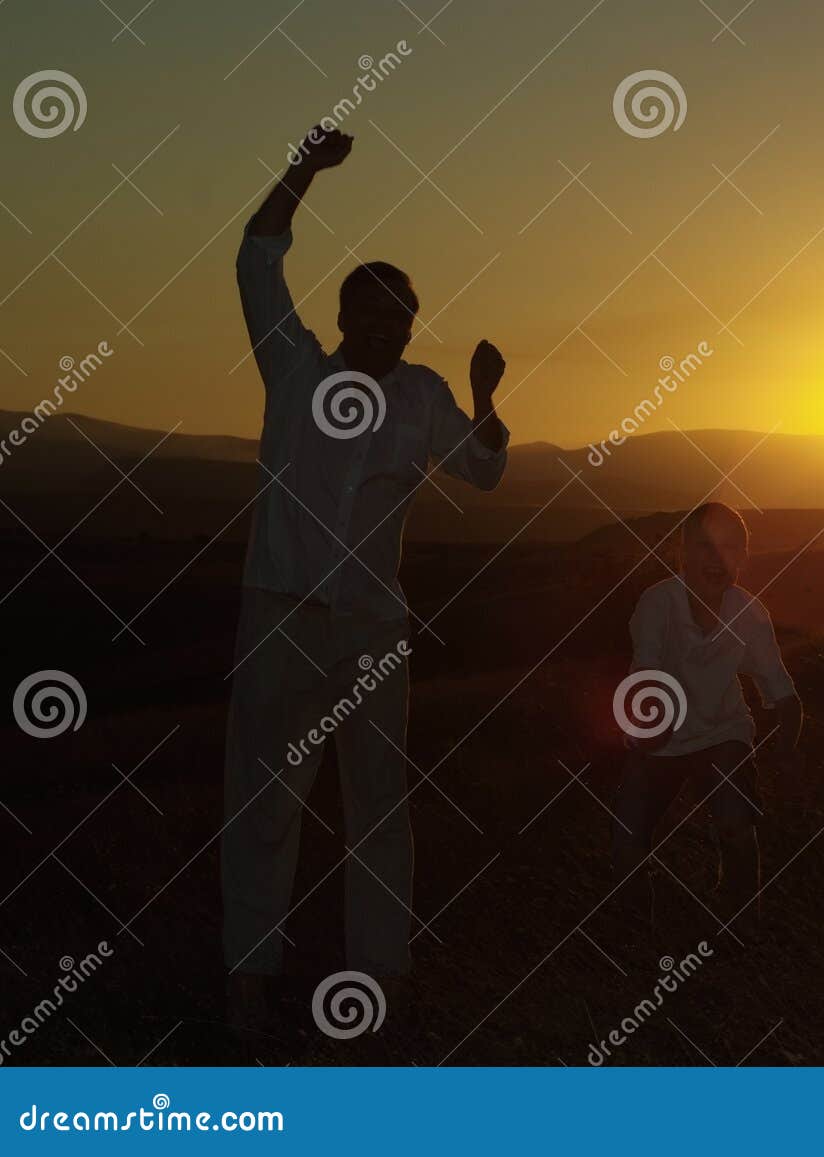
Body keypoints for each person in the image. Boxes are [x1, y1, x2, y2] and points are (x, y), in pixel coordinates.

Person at [222, 126, 511, 1029]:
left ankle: (380, 975)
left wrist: (487, 403)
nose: (388, 328)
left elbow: (483, 469)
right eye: (373, 313)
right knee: (266, 797)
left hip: (374, 630)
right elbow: (256, 258)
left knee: (380, 802)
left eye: (402, 317)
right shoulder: (293, 370)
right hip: (282, 616)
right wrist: (302, 170)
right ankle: (248, 975)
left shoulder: (423, 397)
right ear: (344, 317)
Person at [612, 503, 803, 936]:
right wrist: (647, 732)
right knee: (626, 841)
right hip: (659, 736)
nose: (717, 559)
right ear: (682, 553)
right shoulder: (657, 603)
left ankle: (740, 920)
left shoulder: (749, 613)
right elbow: (645, 676)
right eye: (705, 546)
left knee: (736, 826)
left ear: (743, 558)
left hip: (723, 732)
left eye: (730, 548)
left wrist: (787, 752)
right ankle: (636, 931)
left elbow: (782, 691)